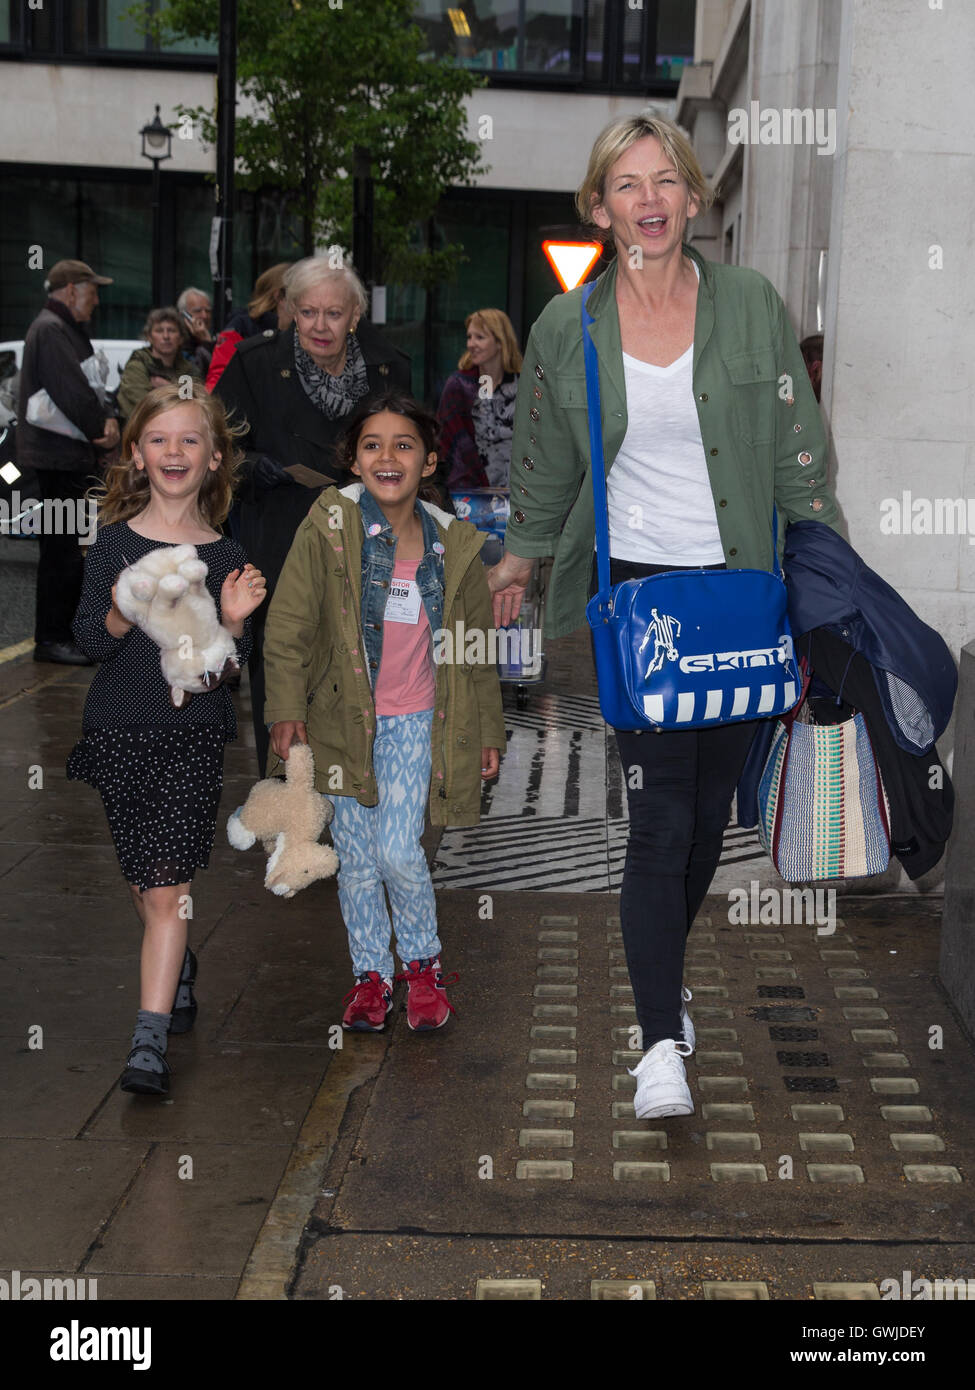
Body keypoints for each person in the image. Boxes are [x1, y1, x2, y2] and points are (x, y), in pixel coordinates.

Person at [487, 112, 841, 1120]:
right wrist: (519, 555)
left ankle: (661, 973)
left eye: (665, 181)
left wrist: (825, 567)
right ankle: (658, 1044)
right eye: (626, 186)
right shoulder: (570, 326)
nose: (648, 201)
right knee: (659, 820)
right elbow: (551, 458)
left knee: (700, 832)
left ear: (694, 197)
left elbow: (796, 446)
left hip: (741, 590)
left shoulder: (752, 306)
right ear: (600, 208)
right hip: (641, 603)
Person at [262, 391, 506, 1032]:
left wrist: (485, 730)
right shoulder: (329, 525)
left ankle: (422, 966)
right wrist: (285, 707)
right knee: (357, 860)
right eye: (372, 445)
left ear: (428, 462)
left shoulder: (454, 546)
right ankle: (370, 977)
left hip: (419, 721)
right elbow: (288, 623)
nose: (387, 456)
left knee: (400, 853)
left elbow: (474, 653)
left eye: (404, 445)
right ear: (354, 460)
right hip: (341, 725)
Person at [66, 382, 265, 1096]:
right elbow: (88, 639)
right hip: (118, 726)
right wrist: (127, 609)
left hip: (191, 735)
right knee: (142, 880)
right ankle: (176, 967)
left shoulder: (226, 556)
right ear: (137, 455)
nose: (173, 451)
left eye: (189, 440)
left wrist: (234, 624)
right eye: (159, 439)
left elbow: (220, 676)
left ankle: (147, 1043)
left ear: (214, 458)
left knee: (165, 888)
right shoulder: (113, 544)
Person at [215, 255, 411, 773]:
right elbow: (218, 452)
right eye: (308, 313)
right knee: (282, 675)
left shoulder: (390, 366)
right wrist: (261, 469)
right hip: (279, 544)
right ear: (290, 312)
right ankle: (286, 803)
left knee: (363, 670)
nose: (320, 326)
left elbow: (413, 452)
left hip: (367, 543)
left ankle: (357, 791)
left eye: (333, 313)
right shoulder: (254, 364)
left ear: (355, 315)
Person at [17, 258, 119, 665]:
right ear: (72, 290)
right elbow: (74, 394)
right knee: (61, 552)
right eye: (92, 291)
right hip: (57, 462)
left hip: (69, 459)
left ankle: (63, 636)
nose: (95, 300)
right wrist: (103, 429)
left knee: (71, 549)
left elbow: (91, 389)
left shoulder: (64, 330)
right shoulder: (51, 330)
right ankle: (53, 639)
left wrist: (106, 422)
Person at [437, 308, 522, 490]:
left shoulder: (524, 385)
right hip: (469, 495)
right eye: (469, 337)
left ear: (500, 342)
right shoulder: (459, 386)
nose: (471, 344)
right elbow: (449, 446)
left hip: (519, 493)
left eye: (480, 337)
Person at [205, 263, 293, 392]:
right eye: (298, 294)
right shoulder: (241, 327)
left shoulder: (305, 331)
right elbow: (218, 383)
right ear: (279, 296)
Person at [116, 307, 202, 422]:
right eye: (159, 331)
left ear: (181, 338)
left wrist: (167, 387)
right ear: (149, 337)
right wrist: (178, 392)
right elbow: (144, 405)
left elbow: (197, 405)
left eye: (171, 330)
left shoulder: (188, 369)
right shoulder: (137, 365)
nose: (166, 336)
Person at [177, 286, 213, 375]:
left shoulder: (216, 339)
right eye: (198, 311)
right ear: (184, 315)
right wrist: (206, 344)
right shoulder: (176, 342)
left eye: (208, 311)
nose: (205, 316)